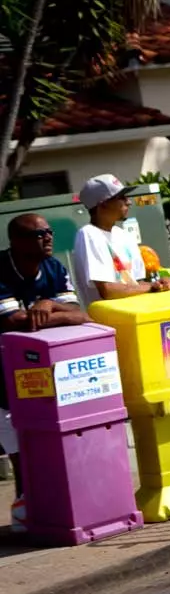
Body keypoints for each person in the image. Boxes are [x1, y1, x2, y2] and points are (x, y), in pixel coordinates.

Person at [0, 214, 89, 518]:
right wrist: (53, 312)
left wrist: (48, 305)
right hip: (1, 378)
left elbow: (80, 315)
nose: (48, 237)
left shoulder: (53, 266)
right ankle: (26, 512)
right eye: (39, 234)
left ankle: (57, 509)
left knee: (53, 445)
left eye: (49, 232)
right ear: (16, 242)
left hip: (44, 373)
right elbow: (13, 321)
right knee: (19, 452)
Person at [70, 174, 170, 309]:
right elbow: (108, 291)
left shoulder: (124, 236)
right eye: (121, 198)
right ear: (102, 204)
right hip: (109, 323)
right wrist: (152, 287)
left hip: (136, 315)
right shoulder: (89, 234)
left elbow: (138, 285)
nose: (129, 202)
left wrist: (161, 284)